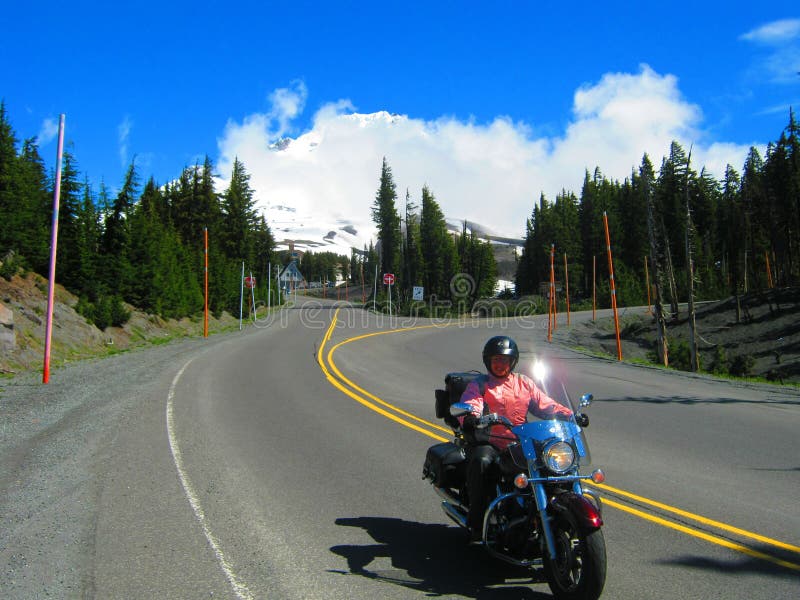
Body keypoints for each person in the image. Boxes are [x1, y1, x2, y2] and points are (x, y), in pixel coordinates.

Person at [459, 335, 573, 541]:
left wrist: (569, 414)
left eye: (505, 360)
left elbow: (544, 403)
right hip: (491, 440)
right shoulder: (480, 384)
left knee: (552, 462)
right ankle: (477, 520)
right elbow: (472, 403)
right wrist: (470, 417)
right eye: (496, 360)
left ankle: (553, 511)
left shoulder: (524, 382)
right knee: (481, 462)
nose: (500, 364)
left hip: (521, 441)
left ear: (513, 362)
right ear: (488, 361)